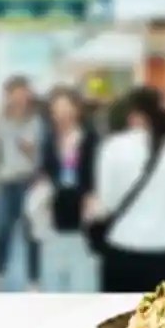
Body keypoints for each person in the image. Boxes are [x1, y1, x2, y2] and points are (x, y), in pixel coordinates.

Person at [91, 86, 165, 292]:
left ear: (132, 114)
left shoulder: (111, 148)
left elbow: (105, 204)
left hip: (120, 246)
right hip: (162, 251)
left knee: (118, 311)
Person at [38, 86, 100, 292]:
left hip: (84, 212)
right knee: (56, 275)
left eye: (66, 108)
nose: (62, 114)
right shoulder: (49, 140)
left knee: (84, 276)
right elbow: (47, 170)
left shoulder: (90, 139)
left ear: (77, 110)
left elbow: (96, 173)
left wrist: (92, 197)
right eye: (57, 110)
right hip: (56, 210)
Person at [0, 76, 44, 289]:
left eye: (23, 93)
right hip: (6, 181)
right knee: (2, 229)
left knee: (31, 232)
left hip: (28, 181)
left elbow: (40, 153)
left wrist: (29, 149)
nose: (20, 98)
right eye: (15, 93)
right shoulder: (1, 120)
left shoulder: (36, 121)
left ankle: (34, 279)